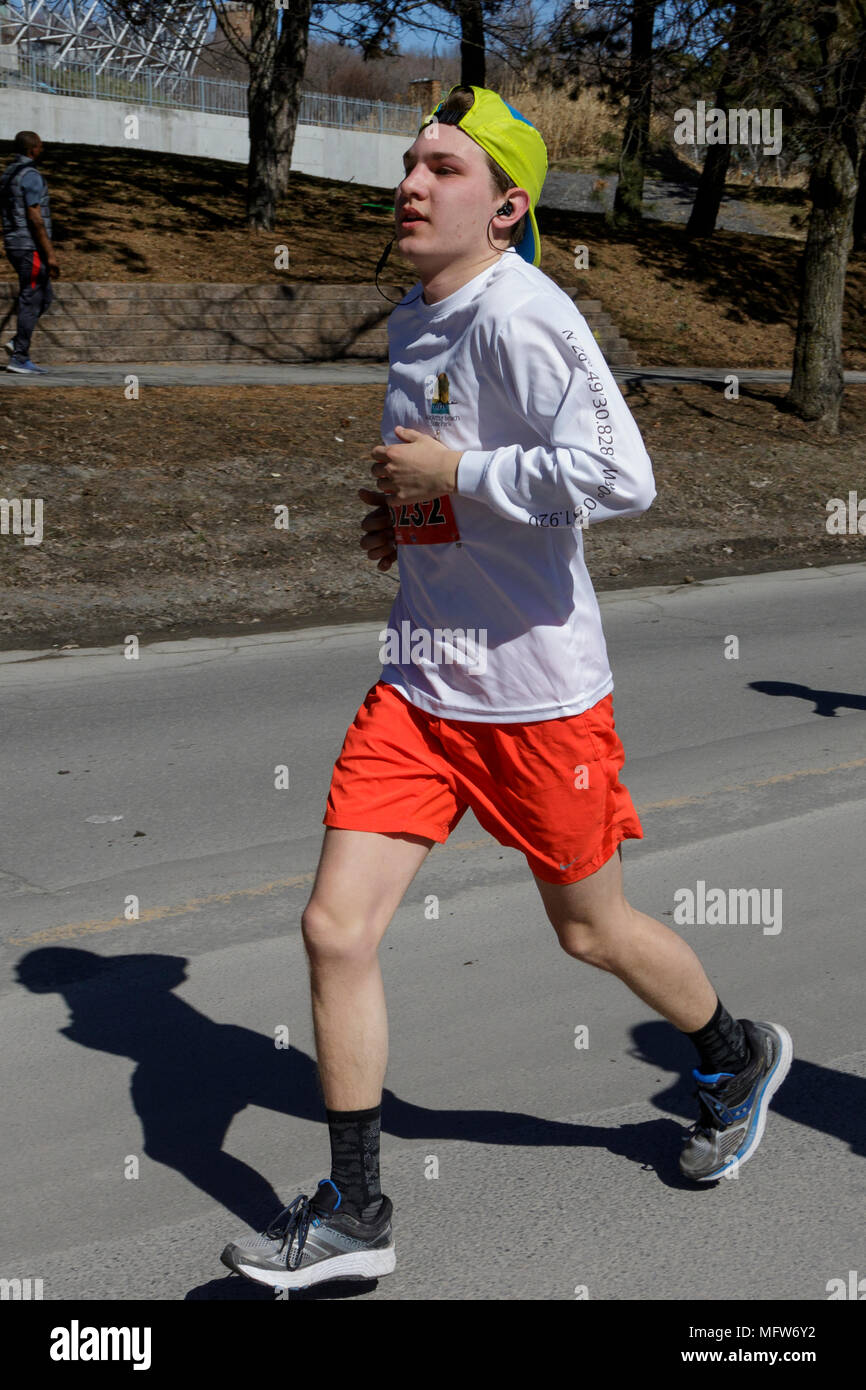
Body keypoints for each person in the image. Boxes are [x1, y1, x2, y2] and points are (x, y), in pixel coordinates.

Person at [220, 84, 792, 1293]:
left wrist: (461, 468)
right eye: (409, 163)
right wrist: (408, 518)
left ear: (505, 206)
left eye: (442, 168)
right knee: (334, 927)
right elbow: (441, 475)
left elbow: (619, 474)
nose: (411, 185)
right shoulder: (414, 317)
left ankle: (731, 1055)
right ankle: (356, 1210)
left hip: (537, 694)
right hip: (421, 682)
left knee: (589, 930)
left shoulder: (527, 313)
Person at [1, 130, 58, 374]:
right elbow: (35, 218)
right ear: (32, 149)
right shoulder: (31, 175)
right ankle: (20, 357)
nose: (42, 150)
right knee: (32, 297)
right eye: (41, 146)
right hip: (29, 246)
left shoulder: (7, 175)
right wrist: (51, 254)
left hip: (14, 243)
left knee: (45, 297)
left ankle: (17, 342)